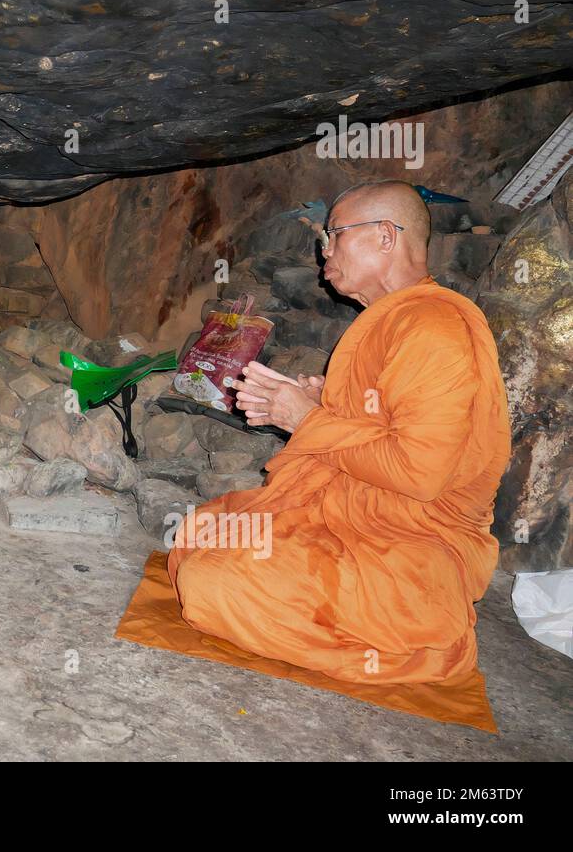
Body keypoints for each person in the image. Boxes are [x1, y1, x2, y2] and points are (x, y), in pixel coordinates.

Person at [167, 180, 511, 684]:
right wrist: (326, 399)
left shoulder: (436, 328)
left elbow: (420, 473)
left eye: (335, 234)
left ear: (386, 237)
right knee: (198, 532)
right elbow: (386, 421)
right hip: (346, 516)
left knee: (210, 582)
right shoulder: (396, 319)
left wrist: (305, 419)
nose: (323, 249)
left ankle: (430, 646)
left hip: (407, 547)